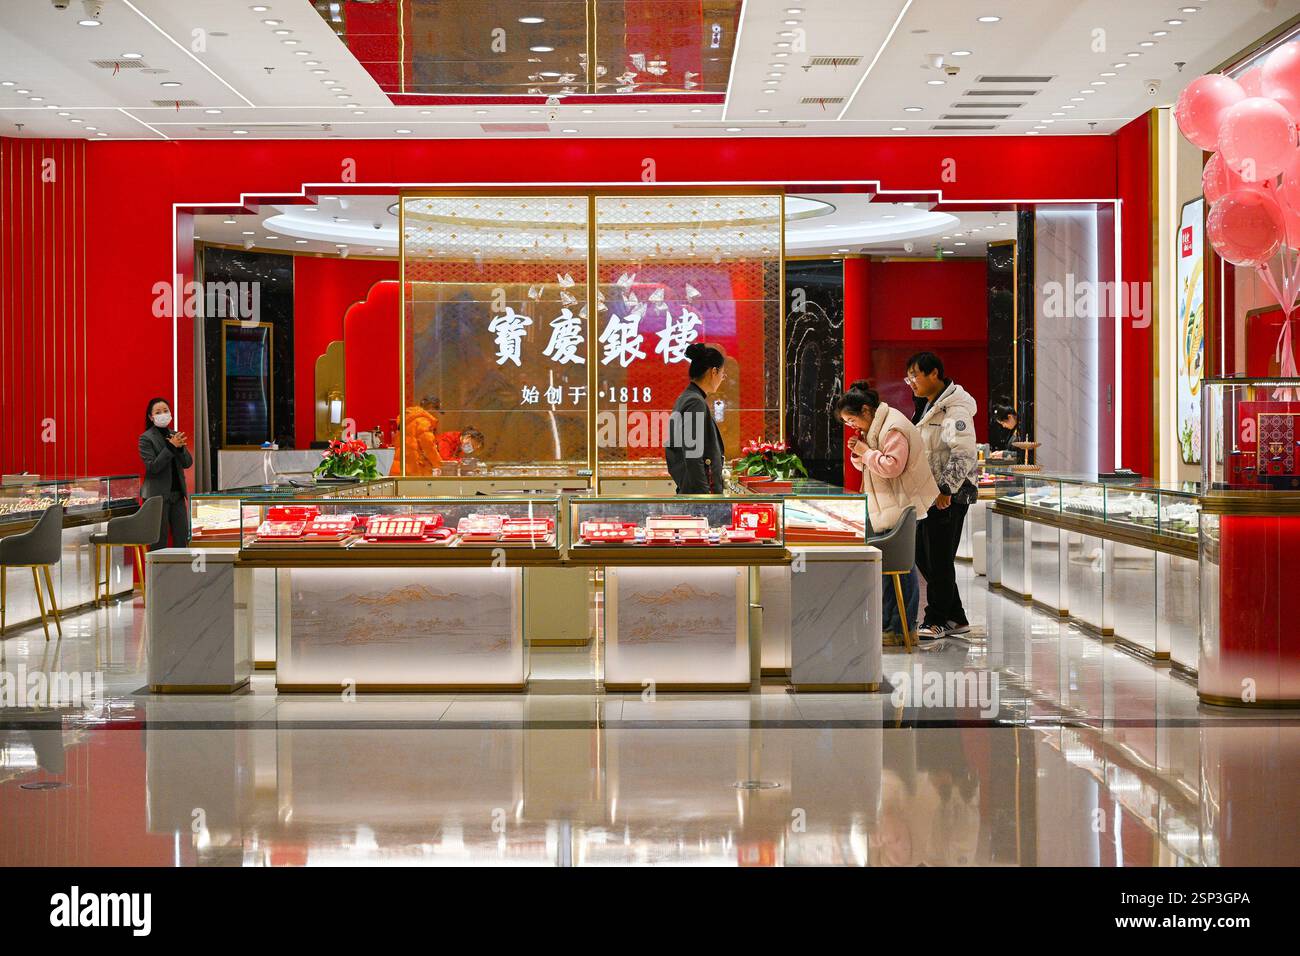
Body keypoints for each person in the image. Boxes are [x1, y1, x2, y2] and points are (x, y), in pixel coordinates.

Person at [837, 381, 939, 643]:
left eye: (852, 420)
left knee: (902, 567)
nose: (852, 426)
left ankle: (904, 629)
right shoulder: (876, 426)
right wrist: (860, 455)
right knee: (887, 568)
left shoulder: (893, 427)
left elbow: (892, 466)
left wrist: (865, 452)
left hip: (901, 507)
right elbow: (873, 466)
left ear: (866, 410)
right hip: (887, 506)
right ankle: (890, 627)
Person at [905, 352, 979, 640]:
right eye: (908, 376)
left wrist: (947, 489)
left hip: (948, 496)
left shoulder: (955, 409)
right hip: (928, 494)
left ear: (934, 373)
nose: (911, 381)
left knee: (937, 559)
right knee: (927, 556)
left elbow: (964, 453)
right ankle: (956, 617)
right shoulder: (927, 406)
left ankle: (935, 619)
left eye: (915, 375)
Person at [665, 342, 727, 494]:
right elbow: (692, 455)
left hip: (691, 489)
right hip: (698, 493)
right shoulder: (695, 402)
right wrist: (703, 497)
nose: (722, 379)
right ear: (714, 371)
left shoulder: (686, 398)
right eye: (722, 374)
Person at [138, 397, 193, 550]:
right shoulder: (146, 438)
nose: (163, 414)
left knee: (181, 538)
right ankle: (157, 573)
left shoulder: (175, 435)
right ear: (151, 416)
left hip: (177, 495)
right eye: (158, 412)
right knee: (158, 540)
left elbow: (188, 463)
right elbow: (153, 467)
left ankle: (180, 573)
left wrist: (180, 448)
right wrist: (170, 447)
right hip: (157, 497)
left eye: (166, 411)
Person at [401, 395, 442, 476]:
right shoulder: (423, 422)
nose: (437, 415)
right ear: (431, 407)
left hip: (403, 467)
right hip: (416, 469)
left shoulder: (408, 418)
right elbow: (429, 446)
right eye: (437, 411)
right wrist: (440, 465)